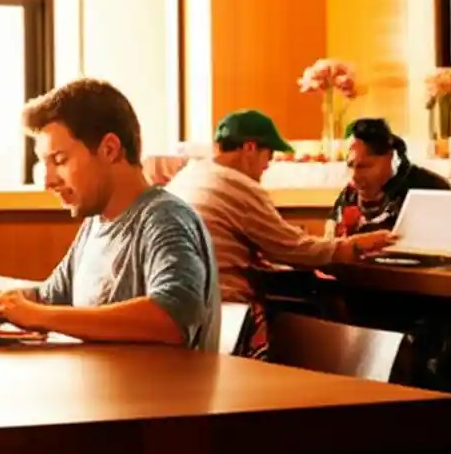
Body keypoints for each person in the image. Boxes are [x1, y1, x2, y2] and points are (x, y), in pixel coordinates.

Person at [0, 78, 220, 351]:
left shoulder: (165, 219)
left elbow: (171, 318)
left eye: (59, 159)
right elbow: (41, 300)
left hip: (157, 414)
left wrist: (38, 316)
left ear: (110, 149)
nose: (48, 180)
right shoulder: (95, 226)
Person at [164, 109, 395, 358]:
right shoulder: (236, 185)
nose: (267, 165)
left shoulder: (187, 177)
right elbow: (294, 249)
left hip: (181, 307)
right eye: (269, 154)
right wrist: (352, 247)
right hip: (223, 308)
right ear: (250, 148)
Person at [330, 118, 450, 236]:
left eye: (364, 167)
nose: (355, 177)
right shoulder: (349, 197)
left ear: (389, 157)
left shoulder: (428, 189)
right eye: (351, 166)